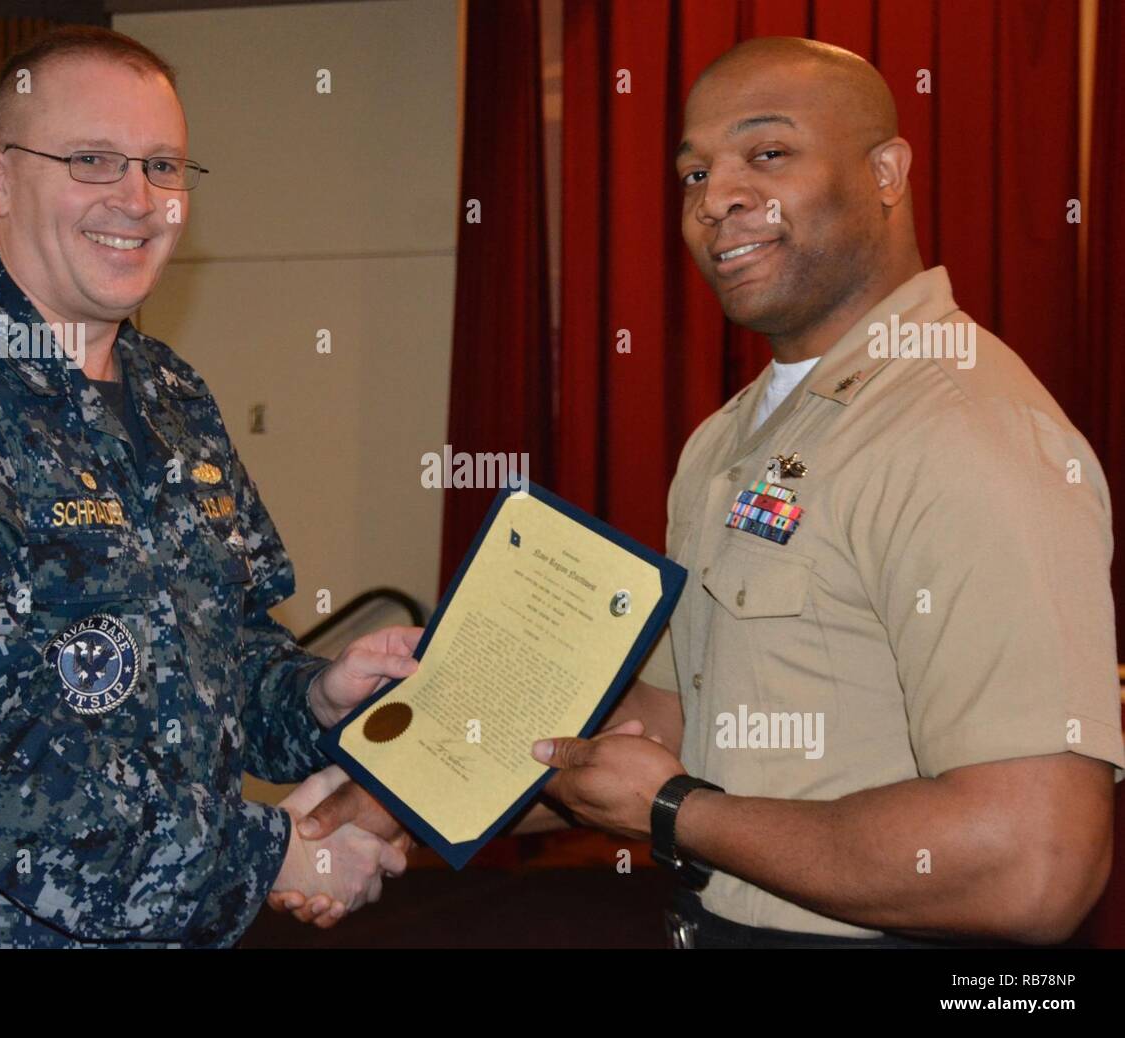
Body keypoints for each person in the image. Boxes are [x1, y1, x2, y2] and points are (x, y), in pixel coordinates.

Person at [297, 36, 1125, 947]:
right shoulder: (731, 438)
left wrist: (672, 813)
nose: (716, 198)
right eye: (693, 173)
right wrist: (394, 799)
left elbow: (1035, 862)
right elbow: (680, 713)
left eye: (767, 154)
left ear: (887, 172)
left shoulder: (965, 433)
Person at [0, 25, 414, 948]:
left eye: (163, 166)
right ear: (1, 178)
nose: (136, 199)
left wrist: (314, 698)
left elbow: (223, 653)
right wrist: (268, 859)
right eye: (92, 159)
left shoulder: (173, 394)